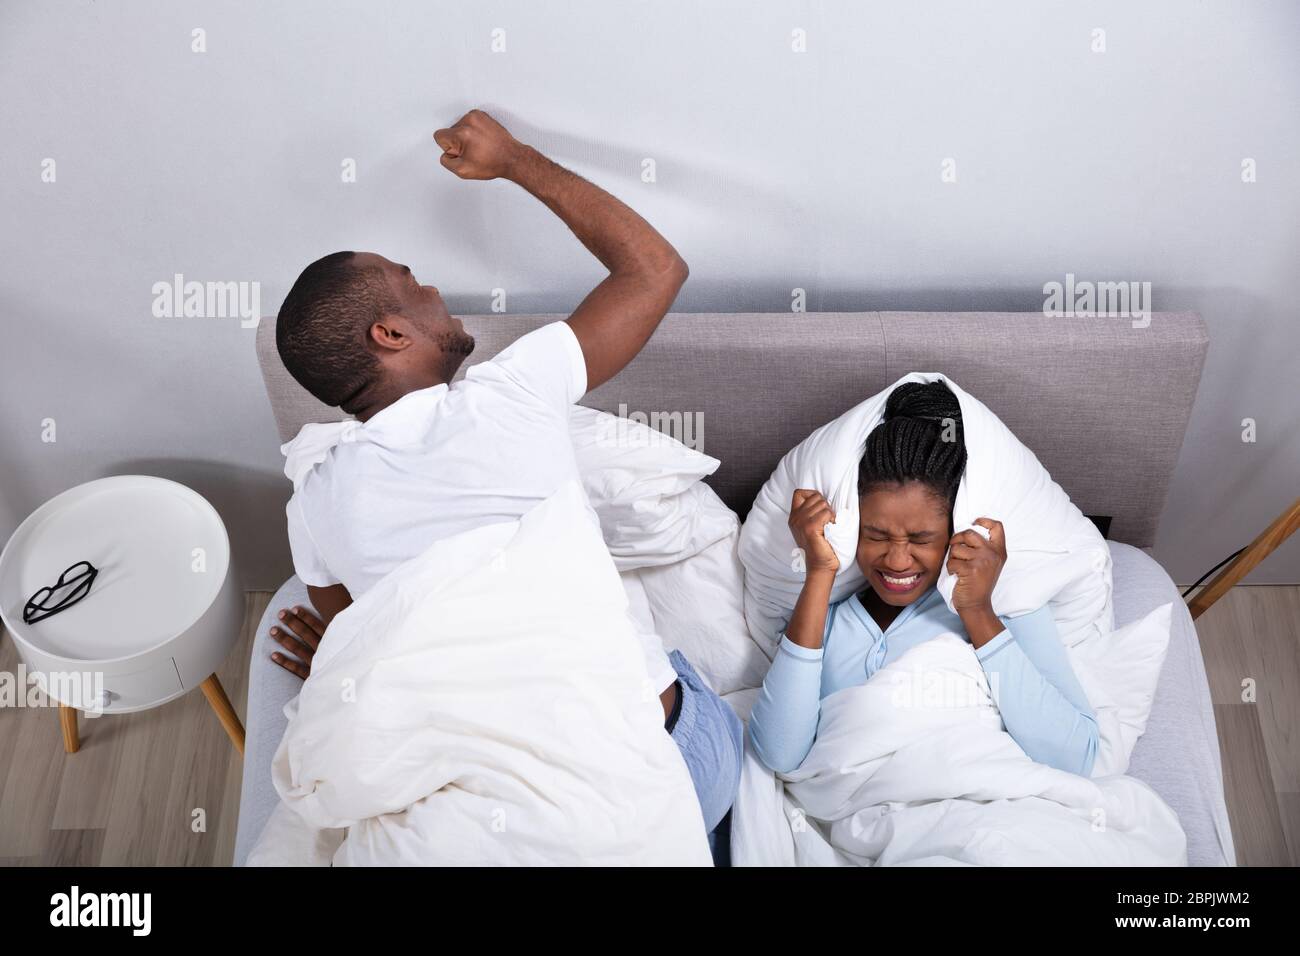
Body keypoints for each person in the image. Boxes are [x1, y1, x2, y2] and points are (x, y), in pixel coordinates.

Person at [264, 108, 742, 860]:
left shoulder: (315, 499)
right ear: (389, 336)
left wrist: (342, 658)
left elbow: (367, 629)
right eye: (409, 281)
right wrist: (516, 160)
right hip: (671, 767)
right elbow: (654, 268)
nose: (432, 289)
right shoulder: (512, 389)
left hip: (470, 806)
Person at [748, 381, 1099, 777]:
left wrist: (977, 611)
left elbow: (1076, 756)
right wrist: (818, 572)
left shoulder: (1007, 609)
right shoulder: (823, 623)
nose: (897, 560)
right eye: (876, 535)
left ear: (955, 529)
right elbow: (779, 753)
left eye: (921, 539)